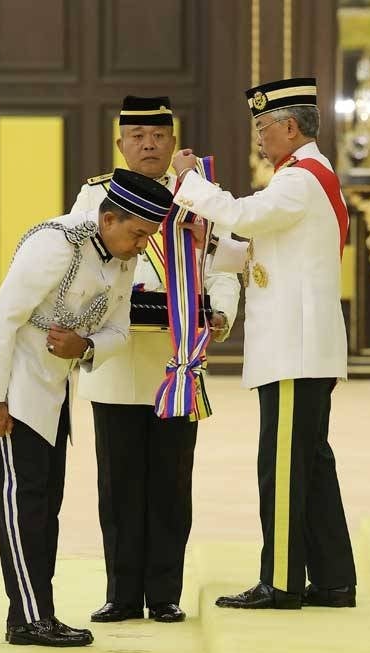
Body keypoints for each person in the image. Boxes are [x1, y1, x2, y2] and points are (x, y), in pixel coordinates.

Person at [0, 169, 175, 645]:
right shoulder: (55, 243)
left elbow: (119, 331)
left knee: (45, 503)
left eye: (147, 237)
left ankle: (36, 613)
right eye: (137, 234)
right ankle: (29, 620)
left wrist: (85, 345)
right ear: (108, 218)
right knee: (21, 502)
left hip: (53, 388)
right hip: (9, 382)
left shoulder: (122, 256)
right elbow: (1, 317)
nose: (141, 247)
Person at [171, 77, 357, 610]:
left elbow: (248, 217)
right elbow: (262, 250)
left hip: (294, 351)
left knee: (282, 466)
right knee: (311, 465)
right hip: (298, 348)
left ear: (290, 127)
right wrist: (210, 243)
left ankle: (280, 582)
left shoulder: (300, 179)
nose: (258, 137)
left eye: (263, 126)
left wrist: (191, 182)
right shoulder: (301, 179)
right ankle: (333, 580)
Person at [71, 95, 241, 623]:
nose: (149, 144)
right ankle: (122, 595)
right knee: (118, 485)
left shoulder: (201, 195)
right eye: (138, 136)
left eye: (159, 136)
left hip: (178, 363)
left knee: (172, 483)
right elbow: (81, 260)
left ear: (173, 142)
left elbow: (224, 264)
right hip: (117, 361)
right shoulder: (94, 194)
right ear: (120, 143)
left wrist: (221, 313)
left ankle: (165, 593)